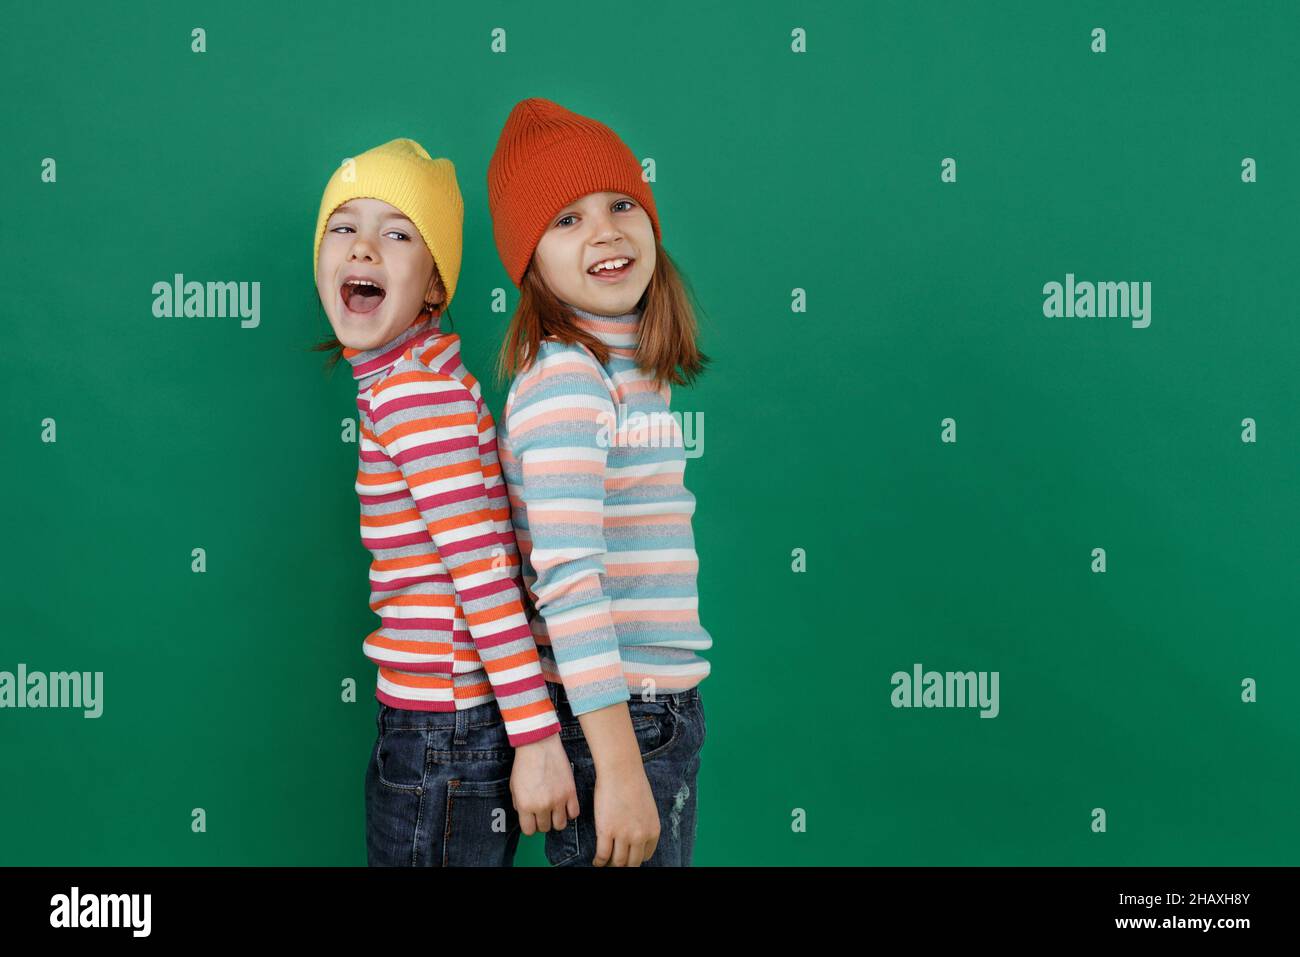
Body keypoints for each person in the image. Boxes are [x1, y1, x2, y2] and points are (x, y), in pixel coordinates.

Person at [311, 137, 576, 866]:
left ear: (433, 287)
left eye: (397, 234)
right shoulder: (409, 383)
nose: (363, 246)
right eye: (344, 226)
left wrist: (536, 736)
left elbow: (484, 573)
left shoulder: (415, 395)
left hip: (444, 725)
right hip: (435, 719)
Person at [487, 98, 713, 866]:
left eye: (620, 204)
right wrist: (617, 765)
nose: (606, 230)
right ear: (531, 262)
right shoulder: (568, 382)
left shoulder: (631, 374)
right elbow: (570, 580)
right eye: (567, 220)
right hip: (623, 720)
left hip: (654, 709)